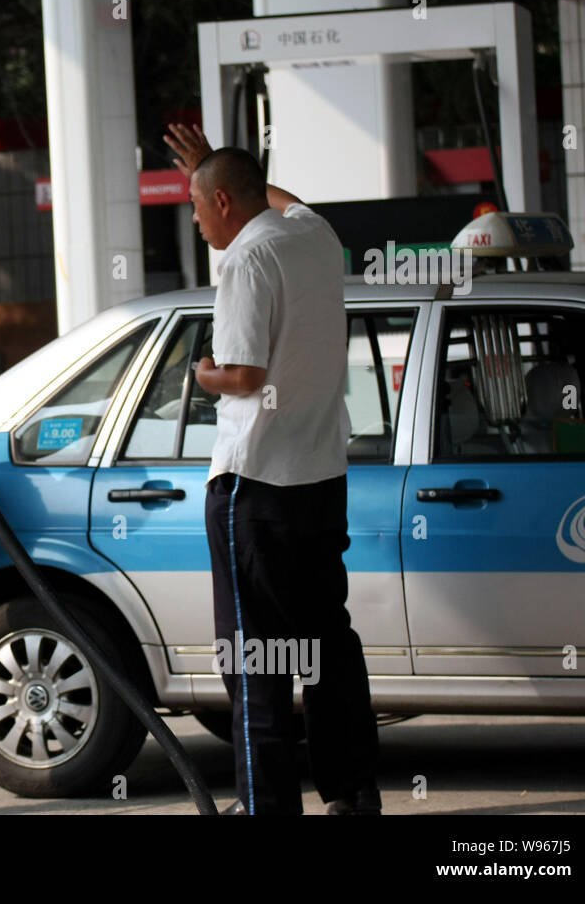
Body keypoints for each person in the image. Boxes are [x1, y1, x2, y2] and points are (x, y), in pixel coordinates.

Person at [164, 123, 380, 815]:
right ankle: (351, 793)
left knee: (255, 658)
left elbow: (246, 373)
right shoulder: (315, 240)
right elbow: (287, 204)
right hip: (320, 478)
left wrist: (203, 375)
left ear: (223, 201)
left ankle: (267, 806)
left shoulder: (248, 262)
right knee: (327, 643)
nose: (195, 220)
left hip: (254, 485)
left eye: (197, 204)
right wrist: (213, 167)